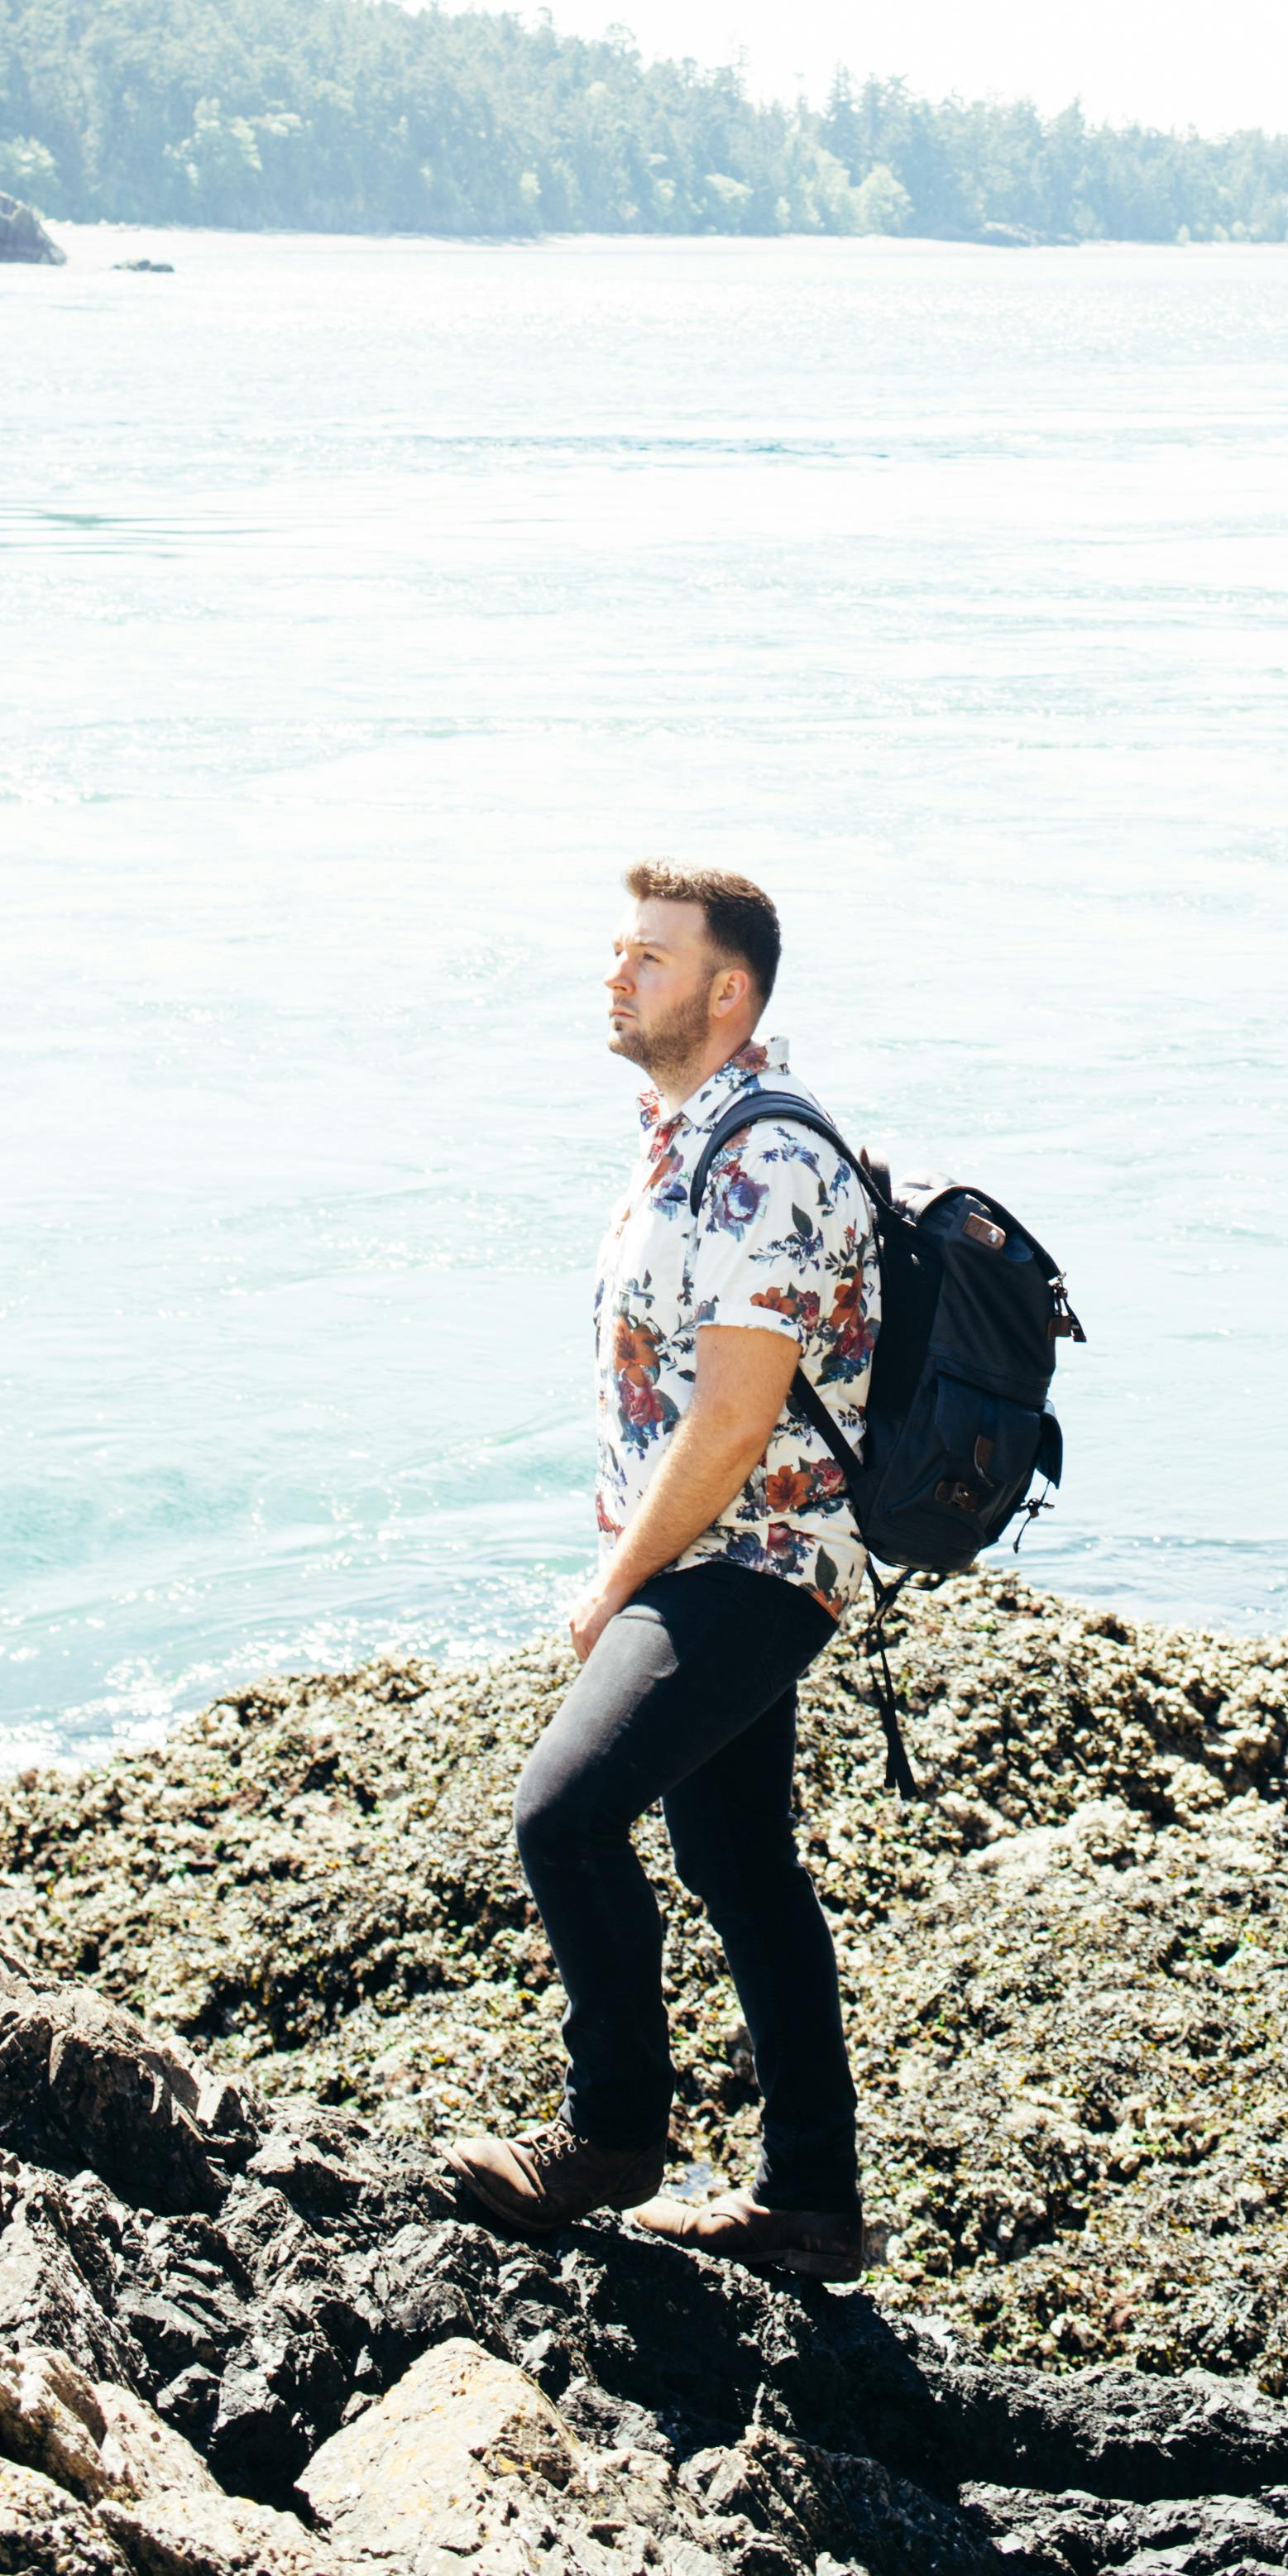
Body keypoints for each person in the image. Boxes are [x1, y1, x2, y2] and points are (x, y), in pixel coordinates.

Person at [447, 862, 879, 2282]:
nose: (617, 975)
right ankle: (813, 2204)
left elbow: (737, 1417)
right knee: (741, 1863)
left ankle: (614, 2129)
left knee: (563, 1817)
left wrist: (614, 1584)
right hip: (716, 1551)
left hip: (744, 1560)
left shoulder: (769, 1160)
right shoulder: (687, 1138)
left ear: (727, 990)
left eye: (648, 955)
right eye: (616, 949)